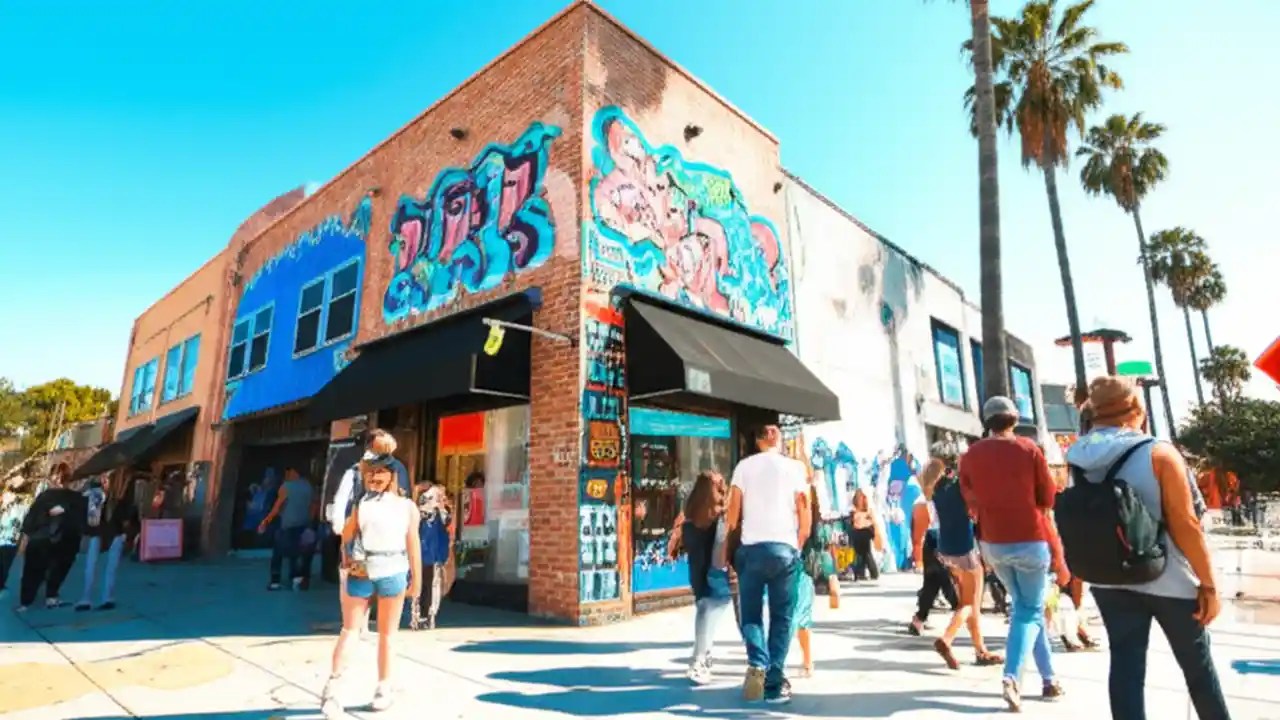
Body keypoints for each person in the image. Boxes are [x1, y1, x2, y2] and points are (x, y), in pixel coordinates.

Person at [1066, 376, 1231, 720]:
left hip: (1108, 578)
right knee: (1198, 669)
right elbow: (1186, 525)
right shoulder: (1158, 452)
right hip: (1168, 579)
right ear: (1138, 411)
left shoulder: (1077, 456)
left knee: (1125, 668)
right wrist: (1209, 585)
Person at [960, 397, 1066, 710]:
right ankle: (1012, 676)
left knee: (1025, 609)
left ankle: (1050, 679)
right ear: (1014, 420)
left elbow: (968, 494)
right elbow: (1047, 497)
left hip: (993, 542)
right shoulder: (1029, 449)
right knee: (1030, 611)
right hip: (1029, 537)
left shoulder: (971, 454)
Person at [322, 451, 421, 714]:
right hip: (379, 569)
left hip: (377, 569)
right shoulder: (387, 506)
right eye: (371, 473)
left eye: (379, 472)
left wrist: (417, 581)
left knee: (368, 633)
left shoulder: (381, 506)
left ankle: (356, 687)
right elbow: (412, 546)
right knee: (369, 632)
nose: (375, 477)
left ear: (390, 476)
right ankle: (360, 687)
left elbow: (413, 546)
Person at [724, 425, 811, 704]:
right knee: (782, 616)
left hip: (751, 550)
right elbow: (804, 511)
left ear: (758, 440)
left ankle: (757, 663)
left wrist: (729, 549)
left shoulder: (743, 467)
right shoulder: (795, 468)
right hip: (784, 549)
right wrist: (798, 545)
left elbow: (732, 516)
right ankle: (774, 681)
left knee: (750, 614)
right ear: (778, 439)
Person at [927, 458, 1003, 668]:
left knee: (967, 602)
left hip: (946, 550)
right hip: (965, 549)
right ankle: (947, 639)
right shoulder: (958, 487)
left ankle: (981, 651)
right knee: (971, 605)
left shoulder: (936, 492)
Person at [676, 470, 732, 685]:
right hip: (715, 573)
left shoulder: (689, 516)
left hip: (696, 572)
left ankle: (701, 655)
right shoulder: (719, 517)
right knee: (710, 615)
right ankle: (701, 658)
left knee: (704, 613)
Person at [18, 464, 86, 611]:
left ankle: (27, 601)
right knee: (58, 569)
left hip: (43, 540)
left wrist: (25, 539)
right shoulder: (77, 499)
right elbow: (81, 522)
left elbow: (31, 520)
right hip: (66, 540)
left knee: (33, 572)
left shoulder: (45, 497)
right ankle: (50, 596)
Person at [908, 462, 958, 636]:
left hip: (932, 543)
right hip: (939, 541)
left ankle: (919, 619)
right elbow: (920, 532)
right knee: (947, 582)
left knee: (932, 583)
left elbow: (918, 533)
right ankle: (962, 615)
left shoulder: (923, 500)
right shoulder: (934, 499)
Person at [76, 475, 135, 611]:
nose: (104, 482)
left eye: (107, 480)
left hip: (110, 532)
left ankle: (102, 597)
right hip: (104, 532)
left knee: (103, 566)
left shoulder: (117, 498)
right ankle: (92, 598)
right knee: (95, 565)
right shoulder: (99, 495)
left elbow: (126, 515)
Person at [258, 466, 315, 591]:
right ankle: (296, 579)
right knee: (297, 552)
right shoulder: (308, 486)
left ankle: (275, 581)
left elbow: (277, 508)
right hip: (303, 524)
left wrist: (265, 521)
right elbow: (313, 506)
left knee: (278, 552)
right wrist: (309, 523)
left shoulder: (286, 487)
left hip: (287, 525)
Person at [411, 479, 452, 630]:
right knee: (418, 584)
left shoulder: (441, 514)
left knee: (432, 585)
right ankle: (417, 615)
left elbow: (447, 522)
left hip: (434, 555)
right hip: (419, 552)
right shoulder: (418, 513)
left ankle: (429, 615)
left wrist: (441, 506)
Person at [0, 489, 32, 598]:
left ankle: (1, 583)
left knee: (5, 565)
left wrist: (24, 542)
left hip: (10, 541)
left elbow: (25, 526)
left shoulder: (21, 509)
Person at [848, 489, 880, 582]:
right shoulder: (853, 511)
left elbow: (872, 522)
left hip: (864, 532)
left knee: (865, 553)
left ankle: (871, 572)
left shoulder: (868, 511)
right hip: (858, 532)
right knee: (860, 554)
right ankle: (861, 572)